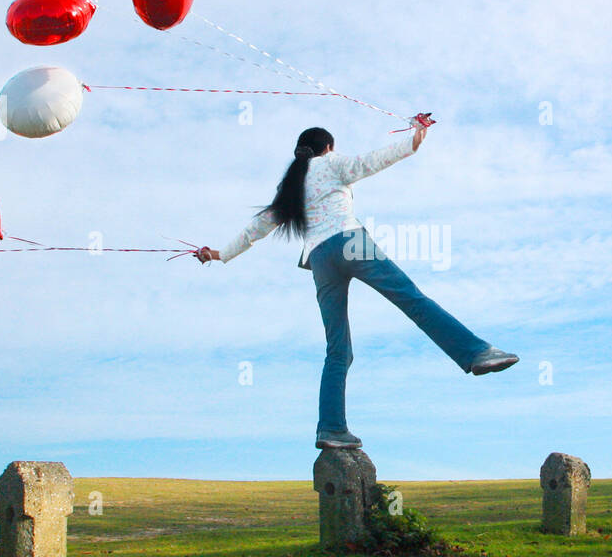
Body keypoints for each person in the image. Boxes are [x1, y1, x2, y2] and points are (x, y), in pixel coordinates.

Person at [197, 114, 518, 450]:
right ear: (328, 146)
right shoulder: (330, 164)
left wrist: (219, 254)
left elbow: (256, 229)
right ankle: (477, 353)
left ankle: (331, 429)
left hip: (320, 261)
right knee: (412, 300)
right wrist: (414, 140)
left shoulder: (291, 186)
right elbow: (371, 161)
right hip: (351, 242)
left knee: (337, 351)